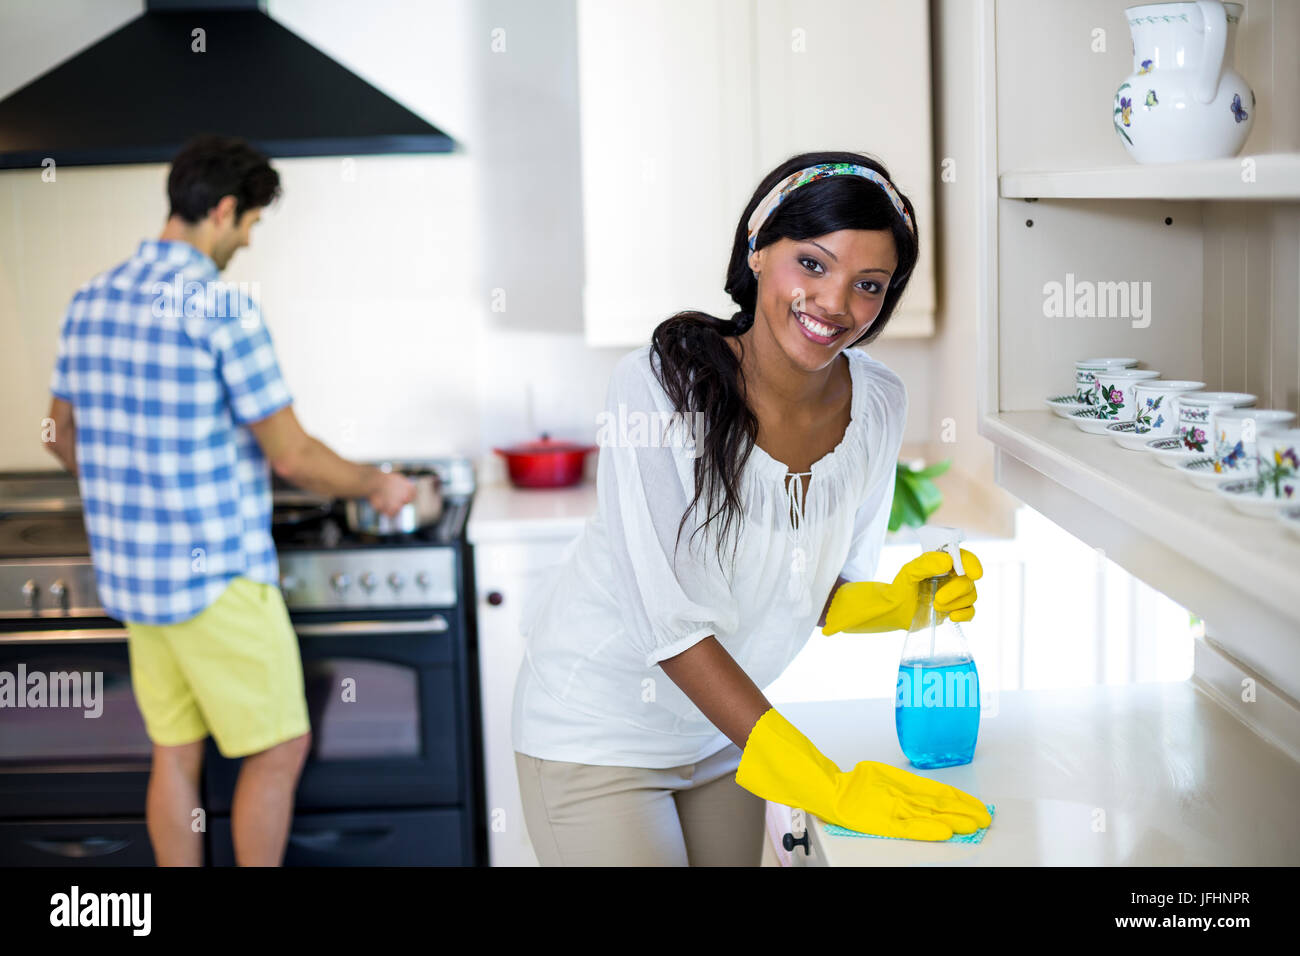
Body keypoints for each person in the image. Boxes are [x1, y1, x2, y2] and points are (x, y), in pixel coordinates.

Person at [512, 151, 988, 866]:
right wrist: (824, 782)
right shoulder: (657, 389)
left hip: (725, 731)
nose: (834, 304)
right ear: (758, 251)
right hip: (599, 732)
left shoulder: (880, 402)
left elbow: (818, 586)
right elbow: (669, 628)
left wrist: (890, 603)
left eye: (868, 285)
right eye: (813, 264)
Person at [43, 134, 415, 866]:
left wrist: (128, 485)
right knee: (281, 745)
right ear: (220, 211)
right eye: (248, 224)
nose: (246, 241)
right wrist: (378, 482)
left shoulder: (89, 300)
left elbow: (57, 433)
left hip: (136, 579)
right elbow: (293, 455)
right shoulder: (220, 309)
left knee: (174, 752)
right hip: (217, 579)